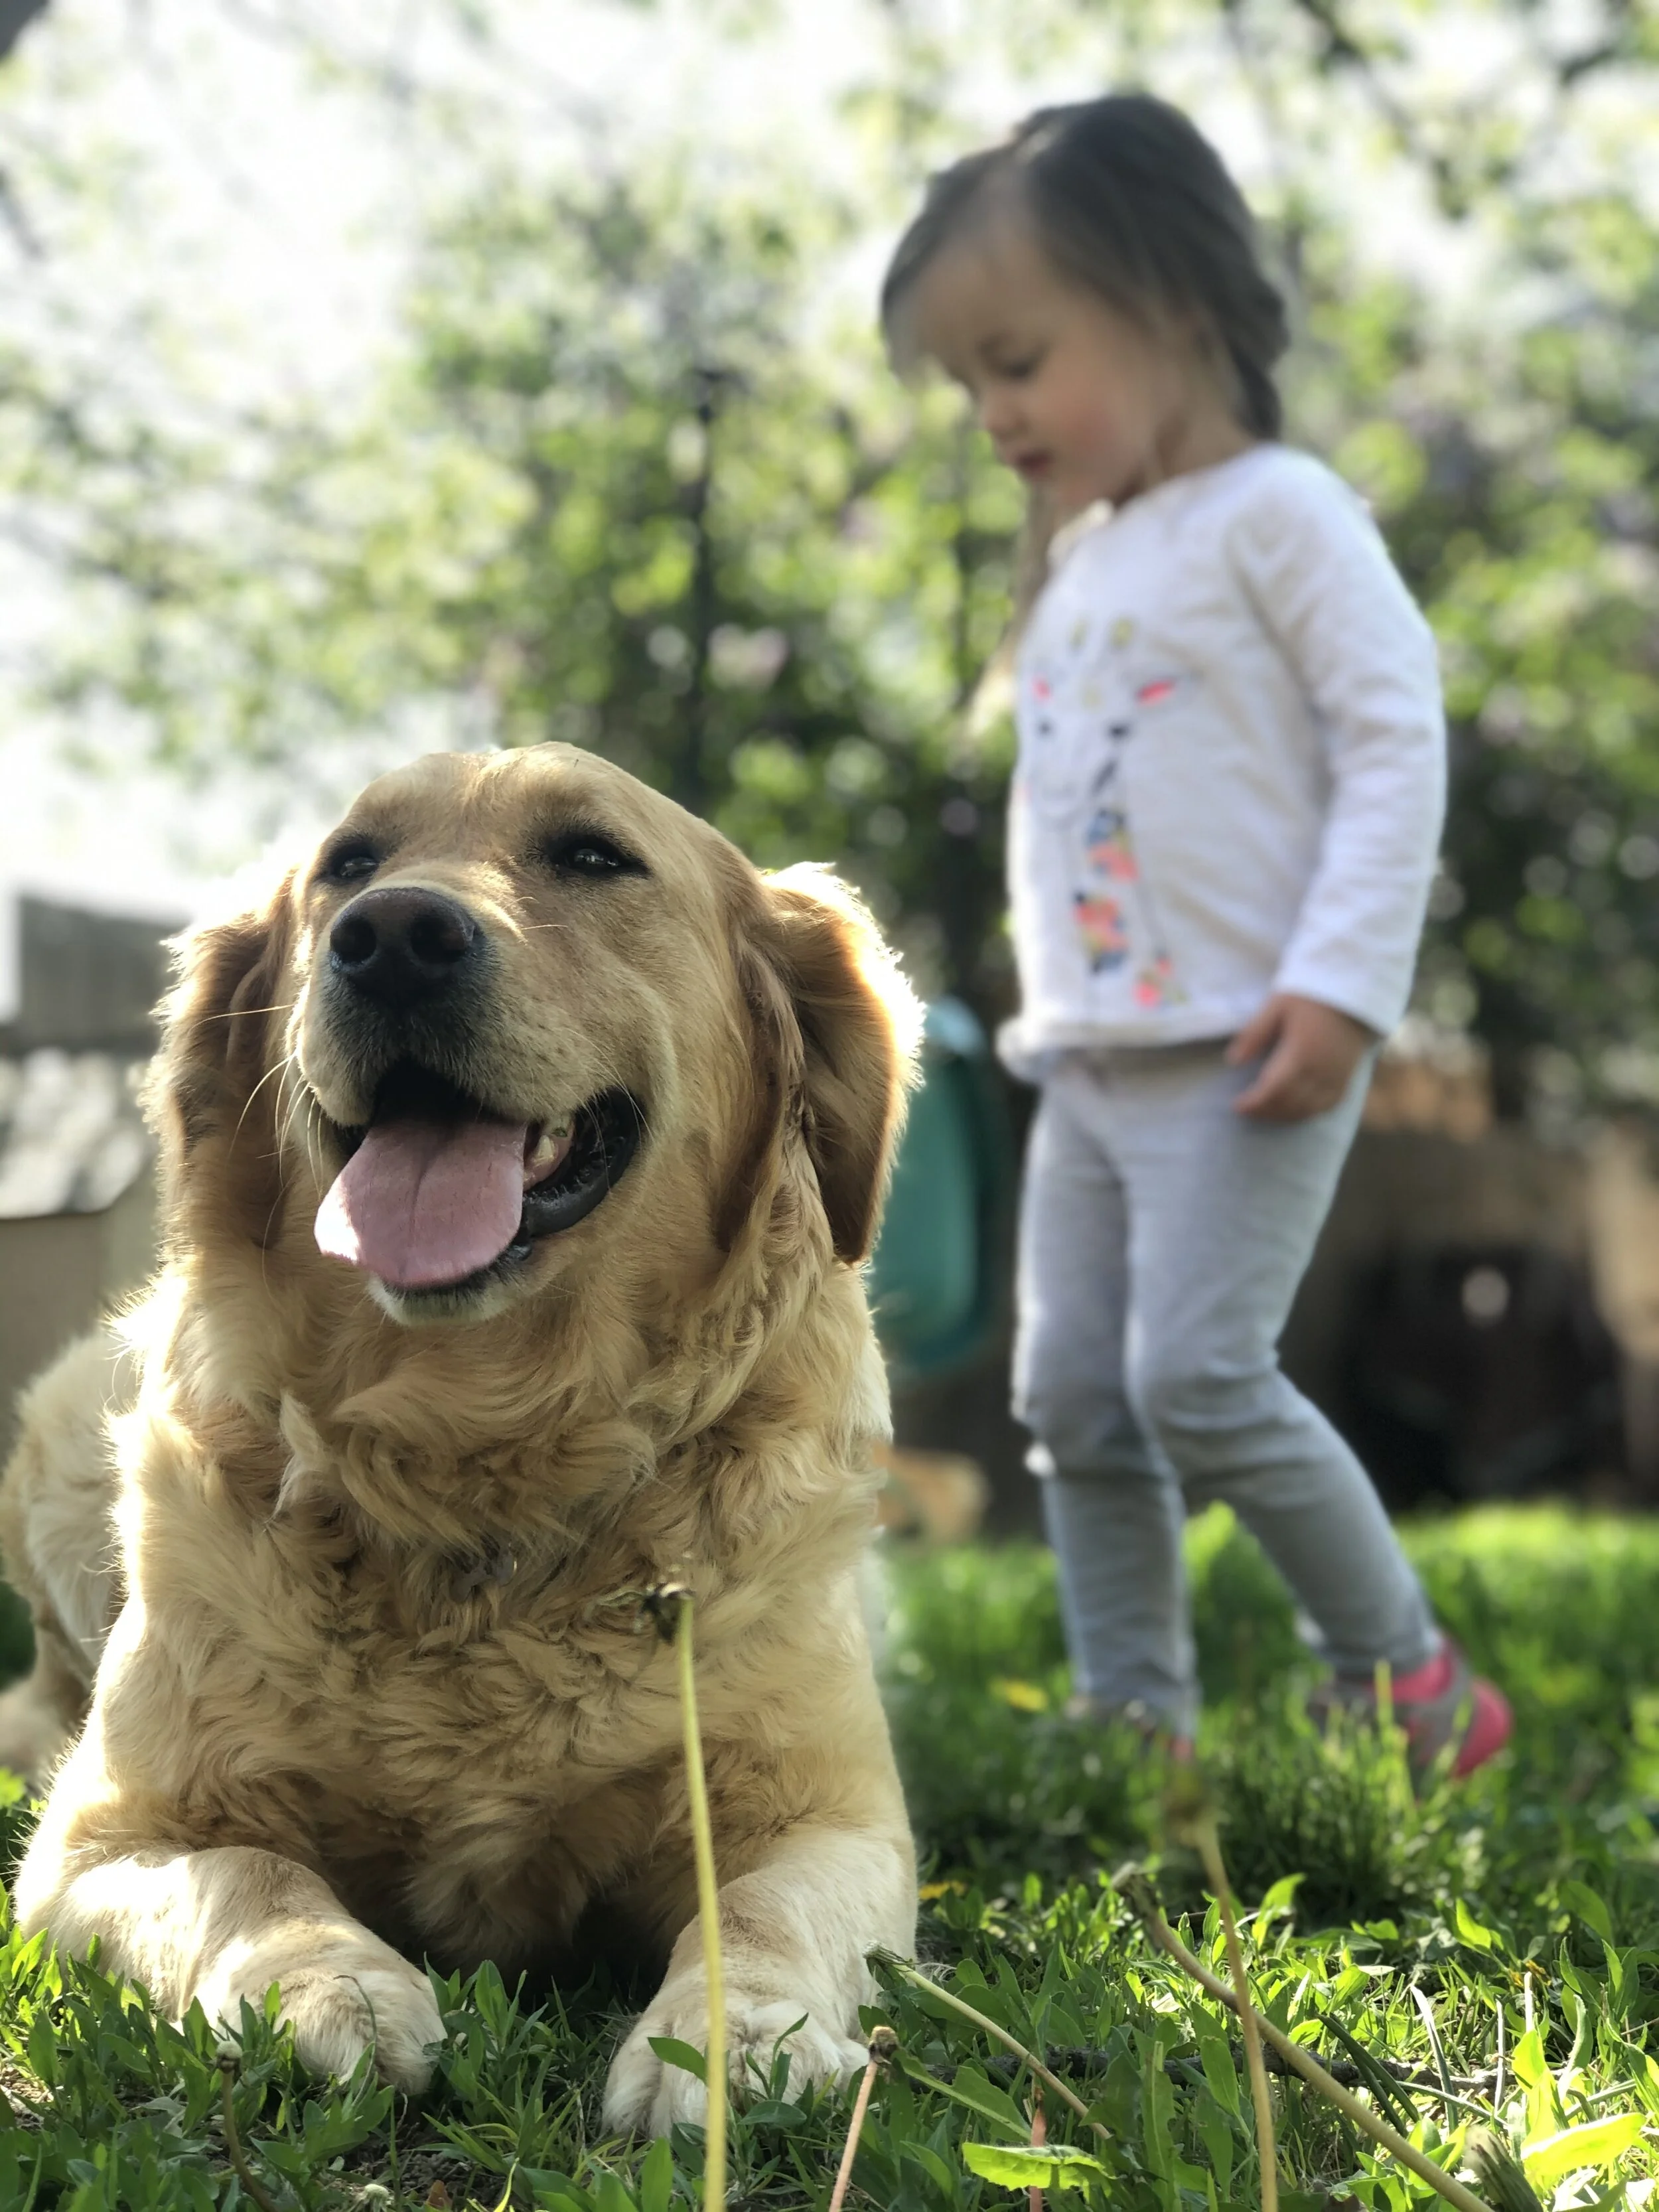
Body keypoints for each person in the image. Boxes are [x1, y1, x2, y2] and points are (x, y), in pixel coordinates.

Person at [879, 92, 1510, 1778]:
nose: (991, 413)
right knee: (1071, 1398)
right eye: (967, 385)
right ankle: (1133, 1714)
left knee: (1198, 1379)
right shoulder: (1079, 556)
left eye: (1013, 361)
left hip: (1245, 1051)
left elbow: (1393, 741)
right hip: (1089, 1062)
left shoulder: (1281, 516)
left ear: (1162, 306)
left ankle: (1406, 1680)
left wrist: (1342, 982)